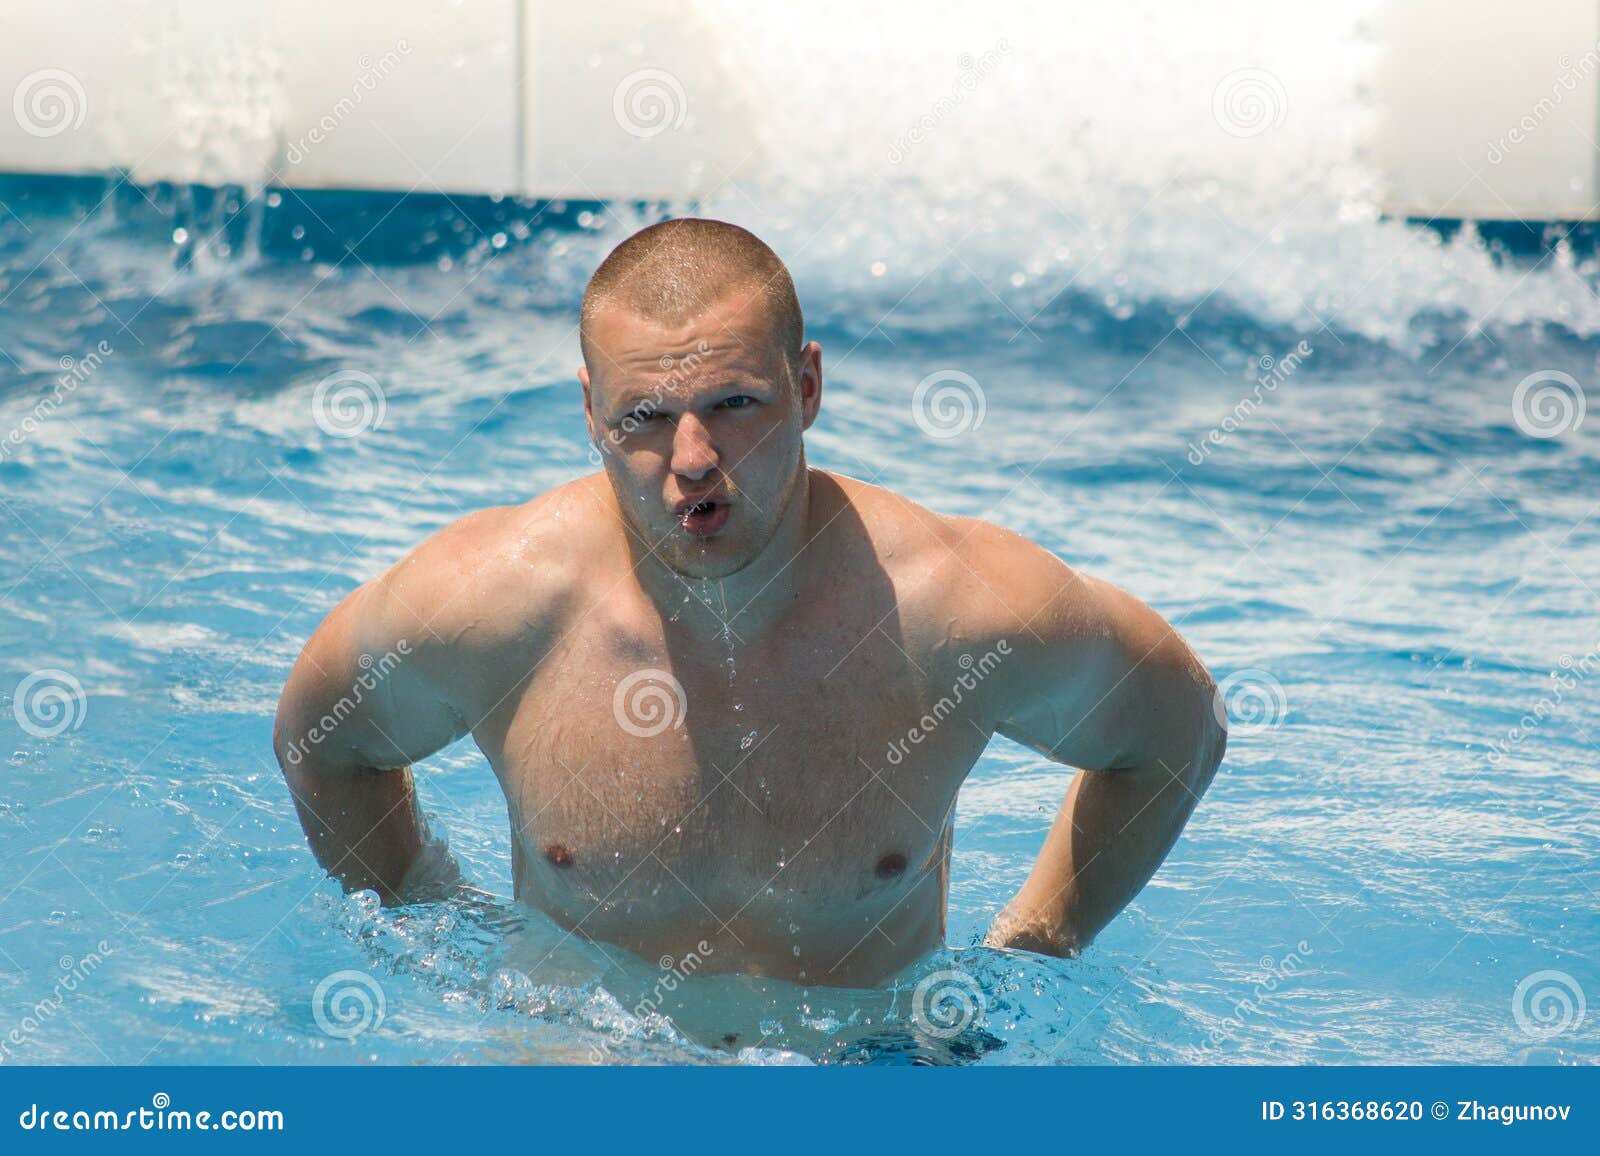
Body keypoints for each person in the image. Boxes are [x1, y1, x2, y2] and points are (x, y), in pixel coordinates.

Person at [273, 217, 1226, 988]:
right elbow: (322, 743)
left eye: (735, 404)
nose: (692, 459)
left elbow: (1178, 729)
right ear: (589, 411)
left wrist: (1033, 952)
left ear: (806, 386)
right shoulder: (491, 605)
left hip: (867, 1078)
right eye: (644, 417)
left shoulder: (960, 611)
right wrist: (449, 935)